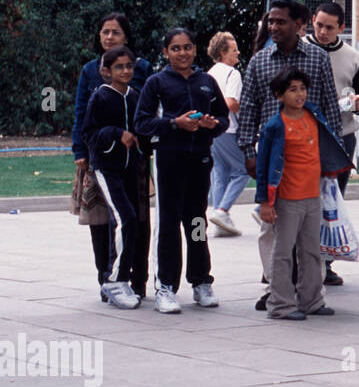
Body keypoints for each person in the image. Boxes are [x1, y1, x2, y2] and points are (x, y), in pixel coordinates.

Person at [238, 0, 343, 311]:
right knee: (273, 234)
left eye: (281, 22)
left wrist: (332, 156)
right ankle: (277, 292)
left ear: (299, 25)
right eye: (270, 21)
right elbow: (248, 107)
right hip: (273, 162)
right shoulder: (259, 61)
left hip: (309, 164)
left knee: (310, 237)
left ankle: (310, 296)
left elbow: (329, 106)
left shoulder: (317, 58)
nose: (273, 27)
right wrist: (248, 150)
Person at [134, 28, 229, 314]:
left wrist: (213, 124)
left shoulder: (207, 82)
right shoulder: (157, 83)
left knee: (197, 222)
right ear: (165, 52)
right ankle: (166, 286)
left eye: (187, 47)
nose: (182, 53)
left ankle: (201, 281)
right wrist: (175, 123)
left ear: (195, 49)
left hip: (200, 159)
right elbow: (142, 123)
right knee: (169, 223)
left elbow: (224, 118)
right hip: (169, 160)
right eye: (175, 49)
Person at [255, 67, 353, 320]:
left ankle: (311, 300)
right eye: (292, 90)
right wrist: (265, 202)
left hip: (313, 196)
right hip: (288, 199)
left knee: (312, 251)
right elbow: (264, 166)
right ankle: (280, 305)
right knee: (283, 252)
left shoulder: (313, 114)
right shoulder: (275, 125)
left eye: (302, 89)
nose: (300, 95)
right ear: (279, 95)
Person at [72, 12, 153, 302]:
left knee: (135, 220)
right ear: (107, 71)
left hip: (134, 163)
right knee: (109, 220)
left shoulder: (138, 79)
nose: (108, 37)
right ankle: (110, 279)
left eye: (115, 32)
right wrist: (83, 150)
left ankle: (135, 280)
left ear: (126, 38)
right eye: (104, 32)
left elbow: (146, 116)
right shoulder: (93, 78)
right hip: (105, 164)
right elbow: (84, 118)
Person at [307, 1, 359, 286]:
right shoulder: (301, 49)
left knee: (333, 200)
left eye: (329, 27)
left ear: (341, 28)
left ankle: (326, 261)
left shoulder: (352, 57)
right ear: (312, 21)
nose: (323, 32)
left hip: (340, 137)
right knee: (300, 201)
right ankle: (295, 262)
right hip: (304, 135)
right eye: (319, 25)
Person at [82, 46, 145, 310]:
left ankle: (120, 277)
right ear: (106, 71)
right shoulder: (100, 97)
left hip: (131, 169)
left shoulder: (135, 96)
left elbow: (144, 125)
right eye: (119, 67)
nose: (126, 71)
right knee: (126, 219)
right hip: (107, 169)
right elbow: (89, 133)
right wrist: (116, 134)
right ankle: (115, 279)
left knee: (128, 222)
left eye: (129, 66)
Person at [206, 31, 246, 237]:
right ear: (223, 52)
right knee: (242, 170)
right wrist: (244, 111)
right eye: (234, 49)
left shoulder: (211, 73)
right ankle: (222, 211)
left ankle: (219, 220)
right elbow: (231, 102)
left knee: (219, 172)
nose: (238, 52)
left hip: (211, 129)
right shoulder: (233, 74)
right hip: (228, 128)